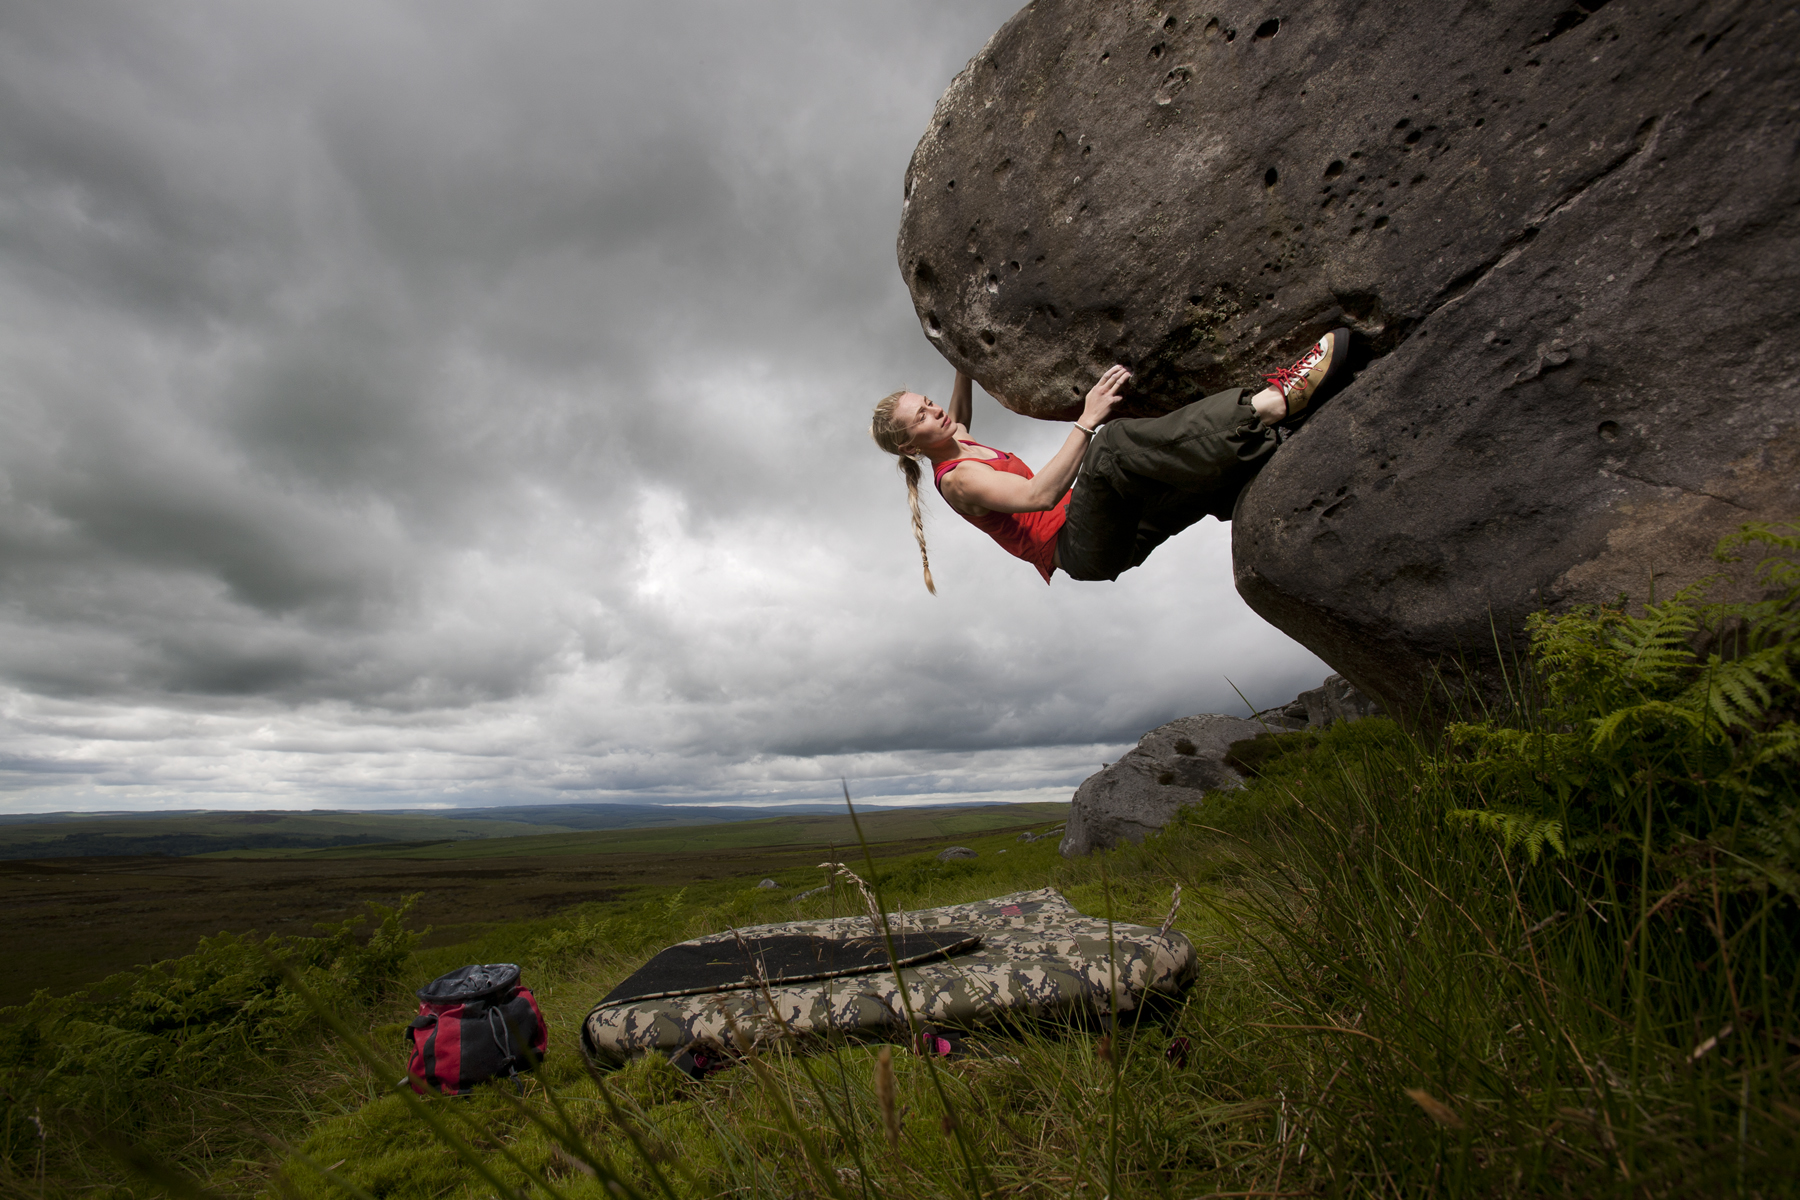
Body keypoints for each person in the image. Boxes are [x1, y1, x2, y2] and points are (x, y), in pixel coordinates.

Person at [869, 329, 1349, 591]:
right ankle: (1274, 403)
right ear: (913, 447)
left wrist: (960, 358)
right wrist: (1088, 419)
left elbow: (959, 411)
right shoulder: (958, 481)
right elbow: (1041, 495)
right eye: (922, 418)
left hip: (1106, 527)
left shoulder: (957, 437)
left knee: (1192, 475)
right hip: (1080, 545)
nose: (935, 412)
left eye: (928, 401)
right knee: (1114, 448)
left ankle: (1283, 439)